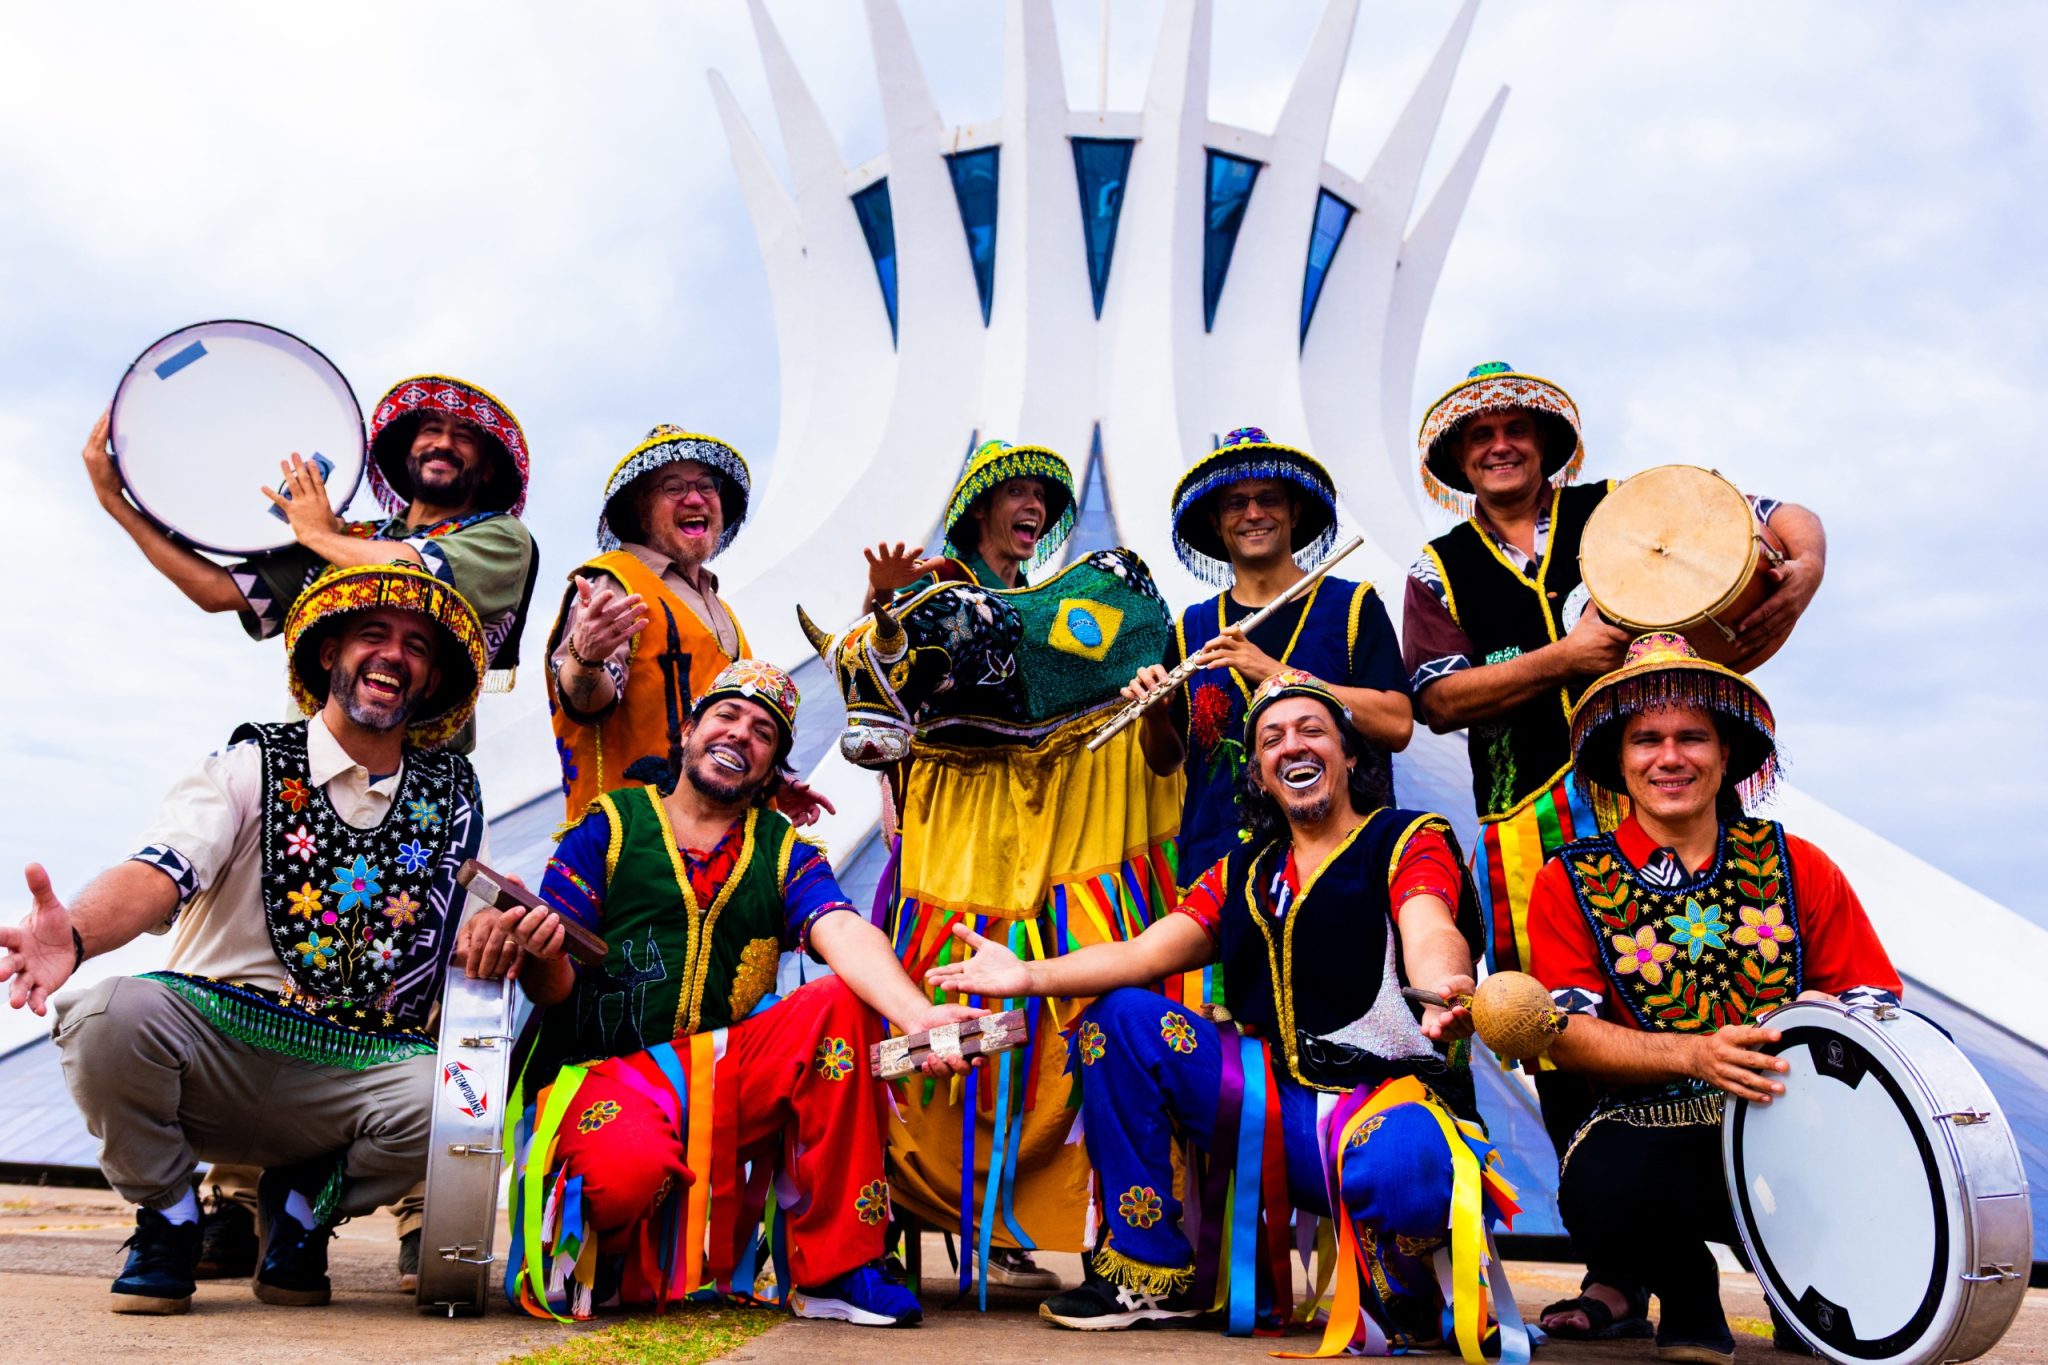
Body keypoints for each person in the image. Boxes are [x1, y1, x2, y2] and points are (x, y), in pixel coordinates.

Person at [1400, 361, 1828, 1339]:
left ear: (1550, 443)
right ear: (1454, 459)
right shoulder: (1435, 564)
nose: (1499, 442)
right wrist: (1564, 659)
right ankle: (1616, 1272)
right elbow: (1433, 699)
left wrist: (1800, 570)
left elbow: (1773, 514)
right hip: (1531, 827)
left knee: (1731, 1004)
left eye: (1517, 426)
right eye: (1478, 435)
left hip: (1666, 803)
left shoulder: (1622, 510)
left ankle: (1794, 1256)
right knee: (1552, 1031)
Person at [928, 670, 1524, 1352]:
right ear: (1262, 774)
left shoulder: (1407, 836)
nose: (1292, 745)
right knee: (1120, 1018)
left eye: (1311, 730)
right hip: (1277, 1118)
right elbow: (1147, 951)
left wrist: (1444, 985)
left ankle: (1412, 1284)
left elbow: (1429, 923)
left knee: (1411, 1168)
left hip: (1392, 1110)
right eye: (1272, 738)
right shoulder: (1241, 870)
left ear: (1350, 754)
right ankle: (1148, 1268)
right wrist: (1027, 973)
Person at [0, 563, 494, 1316]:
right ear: (329, 654)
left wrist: (496, 928)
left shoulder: (452, 796)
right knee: (107, 1015)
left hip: (349, 1075)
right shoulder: (250, 763)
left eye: (417, 645)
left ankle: (303, 1208)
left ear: (430, 679)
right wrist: (75, 931)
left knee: (459, 1095)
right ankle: (168, 1213)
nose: (394, 654)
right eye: (373, 634)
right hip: (216, 1051)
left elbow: (450, 927)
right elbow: (157, 871)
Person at [460, 661, 977, 1326]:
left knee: (841, 1001)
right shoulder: (611, 827)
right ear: (689, 730)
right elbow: (556, 985)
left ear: (770, 770)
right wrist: (534, 948)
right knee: (621, 1178)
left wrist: (920, 1018)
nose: (742, 733)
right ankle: (598, 1250)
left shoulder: (782, 849)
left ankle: (838, 1266)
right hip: (610, 1080)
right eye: (728, 716)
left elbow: (841, 927)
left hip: (730, 1080)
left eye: (765, 732)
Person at [1526, 632, 1902, 1364]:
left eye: (1692, 736)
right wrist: (1695, 1052)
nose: (1671, 757)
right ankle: (1685, 1283)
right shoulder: (1567, 878)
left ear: (1725, 754)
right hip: (1651, 1128)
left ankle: (1803, 1288)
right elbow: (1567, 1031)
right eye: (1647, 739)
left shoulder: (1798, 863)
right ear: (1618, 760)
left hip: (1793, 1127)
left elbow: (1872, 1005)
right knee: (1601, 1184)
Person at [82, 375, 541, 756]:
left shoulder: (502, 538)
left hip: (423, 779)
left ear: (486, 469)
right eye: (431, 430)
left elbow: (413, 570)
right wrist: (115, 502)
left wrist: (318, 535)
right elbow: (214, 590)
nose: (443, 443)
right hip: (312, 768)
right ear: (408, 451)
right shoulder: (350, 539)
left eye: (463, 437)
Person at [1123, 426, 1411, 891]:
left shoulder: (1353, 606)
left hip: (1344, 865)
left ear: (1294, 512)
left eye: (1268, 499)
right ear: (1217, 522)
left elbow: (1398, 725)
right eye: (1236, 503)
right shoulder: (1191, 626)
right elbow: (1166, 761)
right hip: (1220, 871)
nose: (1253, 514)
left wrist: (1275, 673)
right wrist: (1154, 718)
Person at [545, 424, 825, 831]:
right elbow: (586, 704)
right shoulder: (614, 582)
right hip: (639, 844)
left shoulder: (723, 609)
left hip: (729, 844)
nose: (695, 498)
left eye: (707, 486)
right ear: (640, 508)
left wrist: (771, 784)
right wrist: (586, 657)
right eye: (673, 487)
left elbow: (730, 719)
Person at [859, 437, 1077, 606]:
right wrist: (882, 589)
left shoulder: (1037, 602)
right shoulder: (943, 579)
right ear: (979, 508)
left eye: (1039, 495)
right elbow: (879, 638)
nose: (1035, 505)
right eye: (1016, 491)